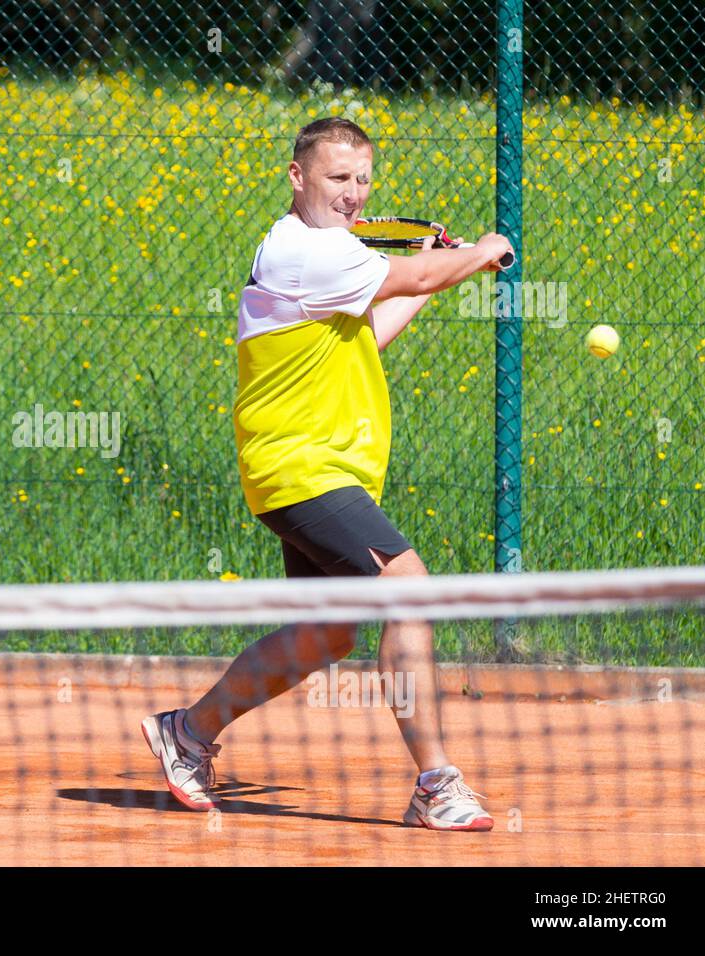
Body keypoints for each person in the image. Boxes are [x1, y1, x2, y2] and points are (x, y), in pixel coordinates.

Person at [142, 117, 513, 831]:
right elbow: (418, 269)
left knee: (325, 635)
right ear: (297, 176)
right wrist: (482, 252)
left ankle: (187, 733)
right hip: (300, 467)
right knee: (410, 589)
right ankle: (436, 783)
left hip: (313, 471)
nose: (352, 194)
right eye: (338, 178)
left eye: (363, 180)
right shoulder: (305, 251)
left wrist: (441, 275)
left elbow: (369, 333)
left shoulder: (328, 259)